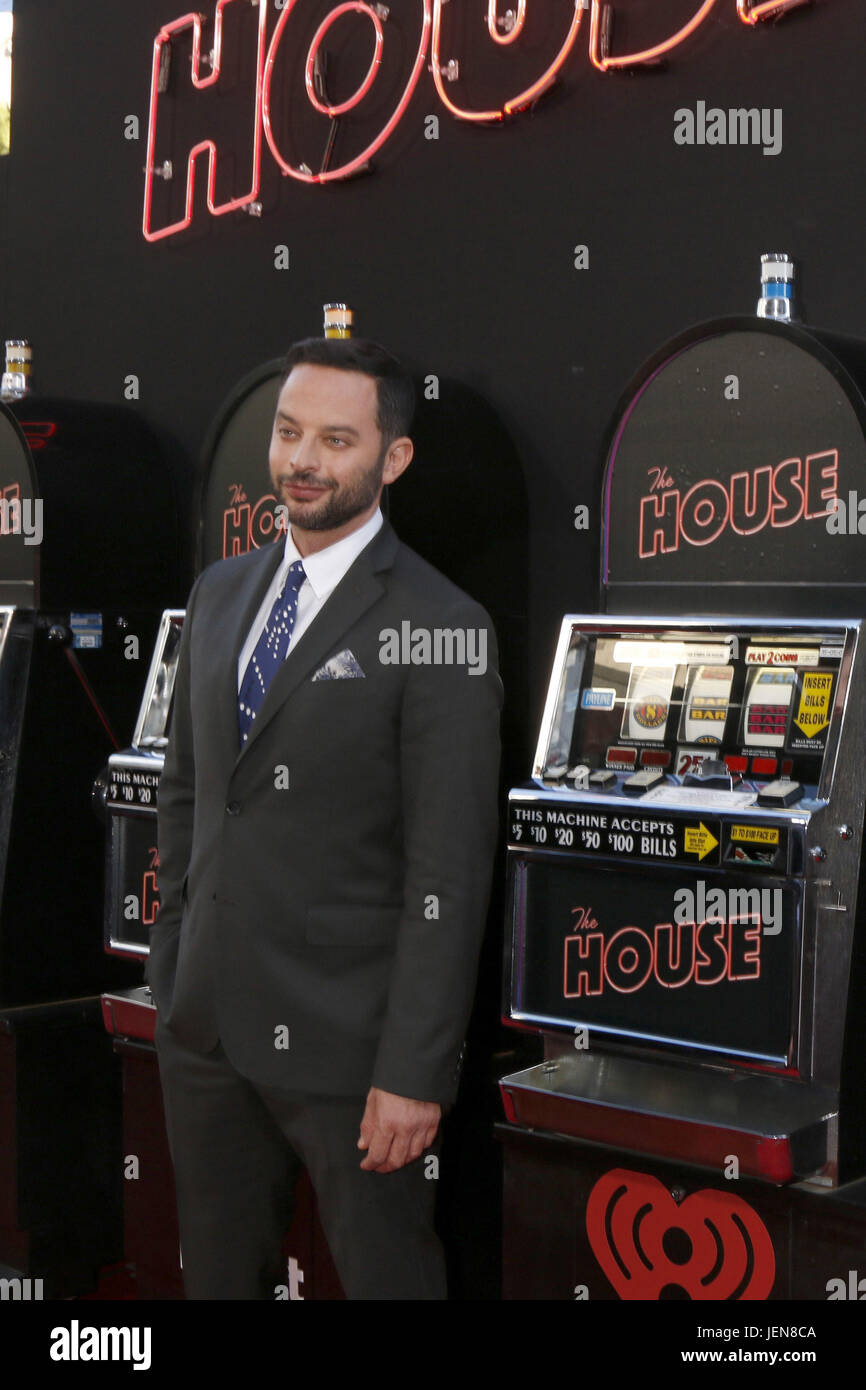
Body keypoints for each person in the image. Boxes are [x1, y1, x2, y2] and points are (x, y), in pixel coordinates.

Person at [145, 337, 503, 1300]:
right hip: (207, 1032)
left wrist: (416, 1073)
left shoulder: (444, 624)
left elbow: (450, 871)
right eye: (290, 432)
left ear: (393, 460)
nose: (302, 460)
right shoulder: (220, 594)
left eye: (336, 440)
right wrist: (172, 962)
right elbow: (187, 796)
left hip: (356, 1059)